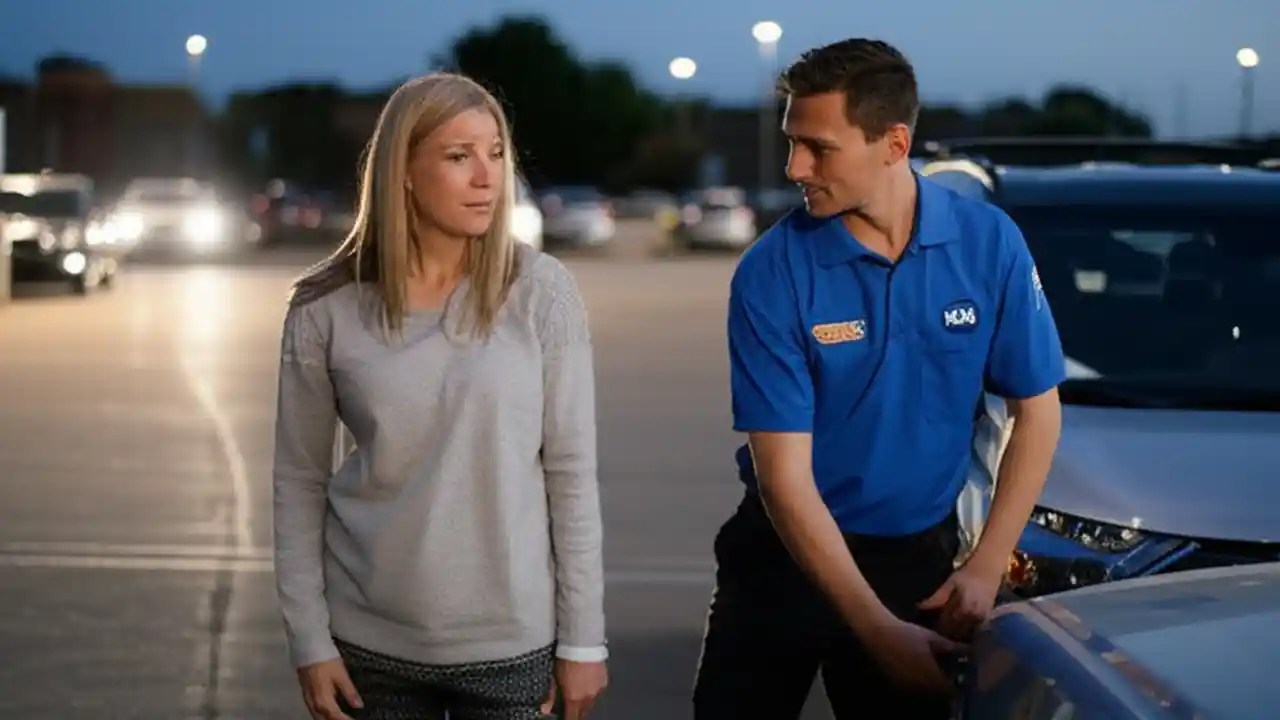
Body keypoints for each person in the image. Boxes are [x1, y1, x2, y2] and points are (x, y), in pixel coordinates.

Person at [692, 39, 1065, 719]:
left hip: (914, 565)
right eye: (791, 142)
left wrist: (985, 564)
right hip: (783, 555)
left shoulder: (989, 243)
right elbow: (784, 479)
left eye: (818, 147)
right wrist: (872, 631)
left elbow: (1038, 414)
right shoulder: (772, 272)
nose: (794, 166)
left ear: (893, 144)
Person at [271, 73, 608, 720]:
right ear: (402, 170)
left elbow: (571, 477)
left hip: (513, 647)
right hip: (368, 648)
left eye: (497, 153)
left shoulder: (542, 291)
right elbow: (297, 483)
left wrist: (584, 638)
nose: (488, 177)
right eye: (460, 157)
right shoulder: (324, 308)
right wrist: (309, 641)